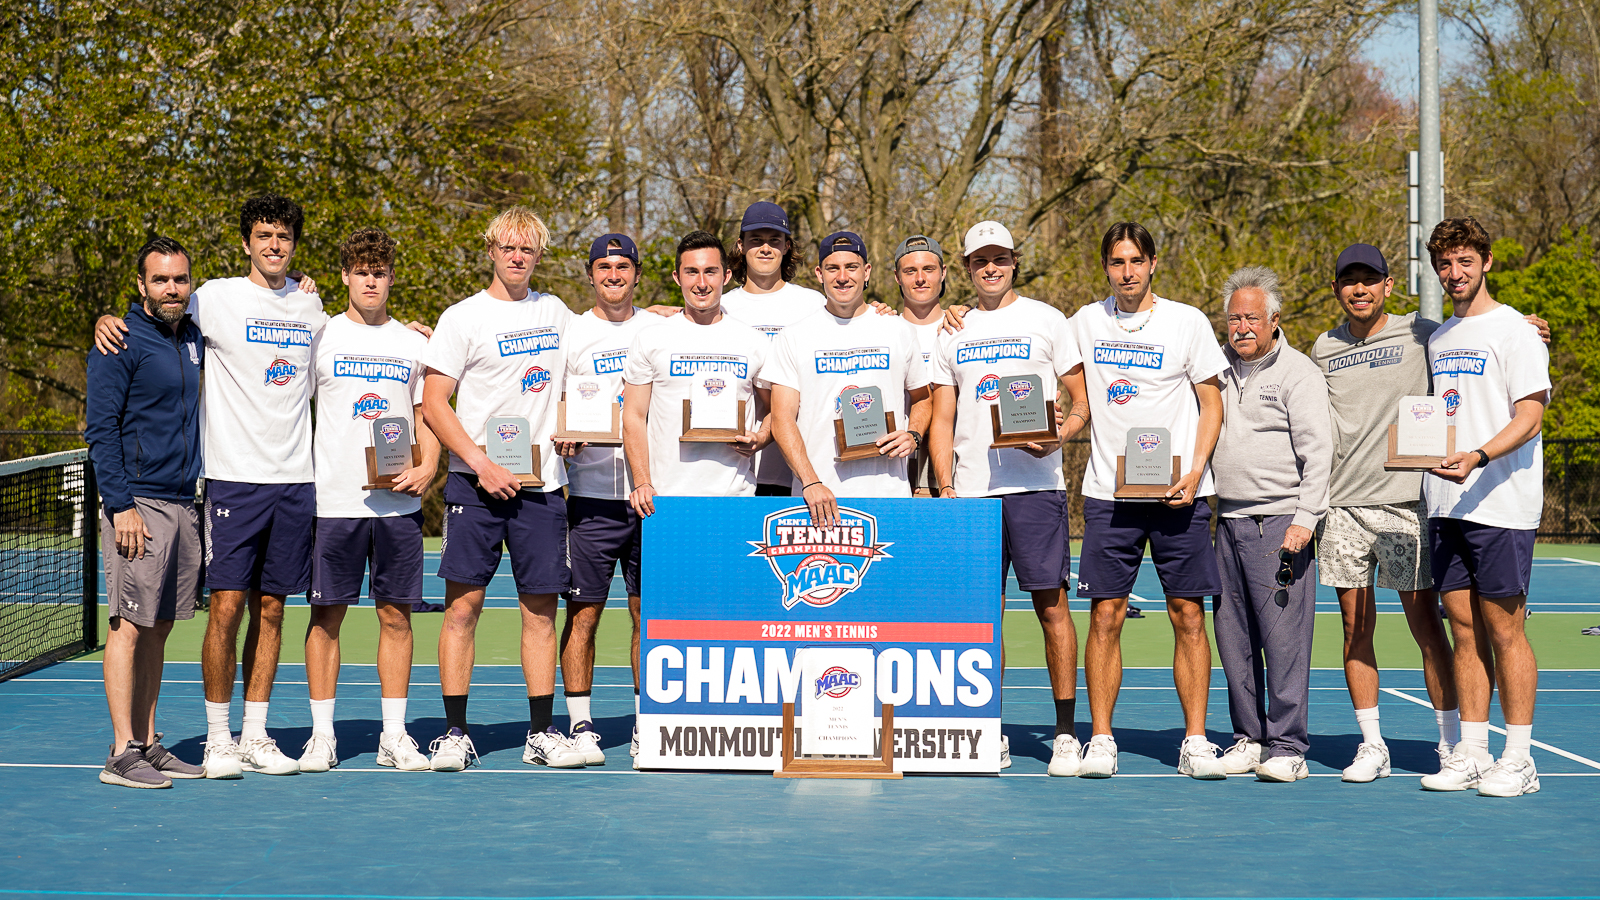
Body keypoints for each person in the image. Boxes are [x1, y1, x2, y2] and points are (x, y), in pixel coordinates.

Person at [92, 195, 327, 778]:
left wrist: (417, 335)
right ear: (246, 242)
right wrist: (106, 315)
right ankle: (206, 740)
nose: (274, 245)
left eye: (284, 237)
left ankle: (251, 734)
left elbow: (354, 342)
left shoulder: (310, 306)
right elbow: (142, 324)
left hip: (280, 483)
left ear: (295, 245)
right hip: (220, 484)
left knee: (265, 610)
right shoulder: (210, 300)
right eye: (264, 235)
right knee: (211, 611)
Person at [420, 206, 585, 771]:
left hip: (541, 488)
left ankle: (541, 733)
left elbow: (617, 330)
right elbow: (434, 403)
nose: (518, 257)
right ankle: (454, 733)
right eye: (508, 247)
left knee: (539, 611)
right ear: (490, 249)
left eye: (529, 249)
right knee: (462, 608)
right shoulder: (461, 317)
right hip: (476, 486)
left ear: (539, 256)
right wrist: (479, 462)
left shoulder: (559, 313)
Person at [1067, 222, 1227, 779]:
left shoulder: (1188, 321)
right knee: (1105, 615)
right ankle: (1102, 739)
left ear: (1153, 263)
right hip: (1109, 495)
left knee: (1188, 615)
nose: (1127, 271)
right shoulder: (1084, 321)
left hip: (1180, 495)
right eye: (1116, 262)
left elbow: (1212, 406)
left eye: (1136, 260)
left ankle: (1196, 741)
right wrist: (952, 314)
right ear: (1106, 267)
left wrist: (1198, 470)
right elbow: (1032, 345)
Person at [928, 221, 1089, 775]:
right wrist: (944, 483)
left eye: (999, 258)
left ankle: (1066, 735)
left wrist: (1060, 433)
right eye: (979, 261)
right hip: (973, 493)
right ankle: (985, 728)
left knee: (1052, 610)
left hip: (1037, 488)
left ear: (1015, 261)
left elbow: (1081, 400)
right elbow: (943, 417)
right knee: (980, 617)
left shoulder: (1047, 319)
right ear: (967, 268)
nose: (990, 268)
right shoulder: (952, 329)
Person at [1310, 243, 1460, 782]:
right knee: (1355, 627)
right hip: (1344, 506)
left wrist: (1525, 329)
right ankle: (1372, 745)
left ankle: (1451, 744)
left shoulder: (1424, 333)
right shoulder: (1322, 347)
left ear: (1388, 286)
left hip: (1405, 505)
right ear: (1336, 290)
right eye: (1349, 280)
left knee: (1425, 625)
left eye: (1369, 279)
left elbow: (1477, 338)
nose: (1359, 289)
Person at [298, 228, 439, 773]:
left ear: (392, 277)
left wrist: (429, 465)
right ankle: (322, 736)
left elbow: (428, 414)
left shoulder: (415, 343)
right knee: (325, 619)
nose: (371, 281)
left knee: (396, 620)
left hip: (398, 507)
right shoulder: (319, 336)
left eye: (379, 272)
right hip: (333, 505)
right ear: (344, 278)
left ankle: (395, 736)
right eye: (361, 272)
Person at [1418, 217, 1549, 797]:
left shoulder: (1516, 332)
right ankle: (1472, 750)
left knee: (1505, 630)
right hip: (1447, 505)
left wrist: (1477, 454)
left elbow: (1530, 416)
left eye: (1465, 261)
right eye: (1445, 264)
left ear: (1487, 262)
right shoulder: (1440, 337)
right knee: (1464, 631)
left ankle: (1519, 759)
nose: (1455, 273)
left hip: (1502, 504)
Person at [85, 236, 207, 788]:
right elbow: (101, 430)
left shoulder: (194, 339)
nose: (171, 289)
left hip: (185, 502)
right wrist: (120, 505)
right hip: (137, 502)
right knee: (127, 627)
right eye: (160, 280)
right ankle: (120, 750)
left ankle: (150, 742)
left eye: (180, 279)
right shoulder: (119, 342)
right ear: (142, 286)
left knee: (158, 628)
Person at [1210, 267, 1332, 783]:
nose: (1241, 327)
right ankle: (1248, 738)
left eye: (1251, 318)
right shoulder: (1216, 372)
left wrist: (1306, 519)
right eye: (1234, 318)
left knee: (1283, 640)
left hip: (1280, 522)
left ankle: (1287, 746)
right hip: (1227, 522)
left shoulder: (1298, 373)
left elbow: (1319, 450)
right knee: (1233, 637)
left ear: (1274, 319)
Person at [555, 233, 661, 765]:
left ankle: (647, 724)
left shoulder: (661, 329)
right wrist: (563, 433)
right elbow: (550, 401)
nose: (613, 275)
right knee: (584, 617)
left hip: (650, 498)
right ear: (590, 274)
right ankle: (582, 726)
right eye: (604, 266)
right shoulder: (571, 332)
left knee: (648, 618)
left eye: (623, 266)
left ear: (637, 273)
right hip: (591, 498)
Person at [766, 231, 930, 516]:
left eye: (851, 267)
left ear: (866, 272)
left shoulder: (898, 330)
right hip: (817, 500)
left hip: (889, 495)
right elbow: (781, 420)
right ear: (819, 274)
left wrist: (913, 435)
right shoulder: (794, 337)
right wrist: (810, 482)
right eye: (833, 268)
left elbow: (923, 398)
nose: (843, 277)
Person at [719, 202, 824, 496]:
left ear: (787, 246)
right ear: (740, 245)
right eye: (756, 240)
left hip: (798, 470)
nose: (765, 248)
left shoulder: (813, 304)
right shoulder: (723, 306)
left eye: (774, 240)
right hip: (736, 466)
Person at [891, 235, 949, 496]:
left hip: (955, 465)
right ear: (897, 277)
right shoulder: (883, 330)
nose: (920, 278)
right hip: (897, 465)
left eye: (929, 269)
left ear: (943, 273)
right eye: (910, 271)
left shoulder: (963, 328)